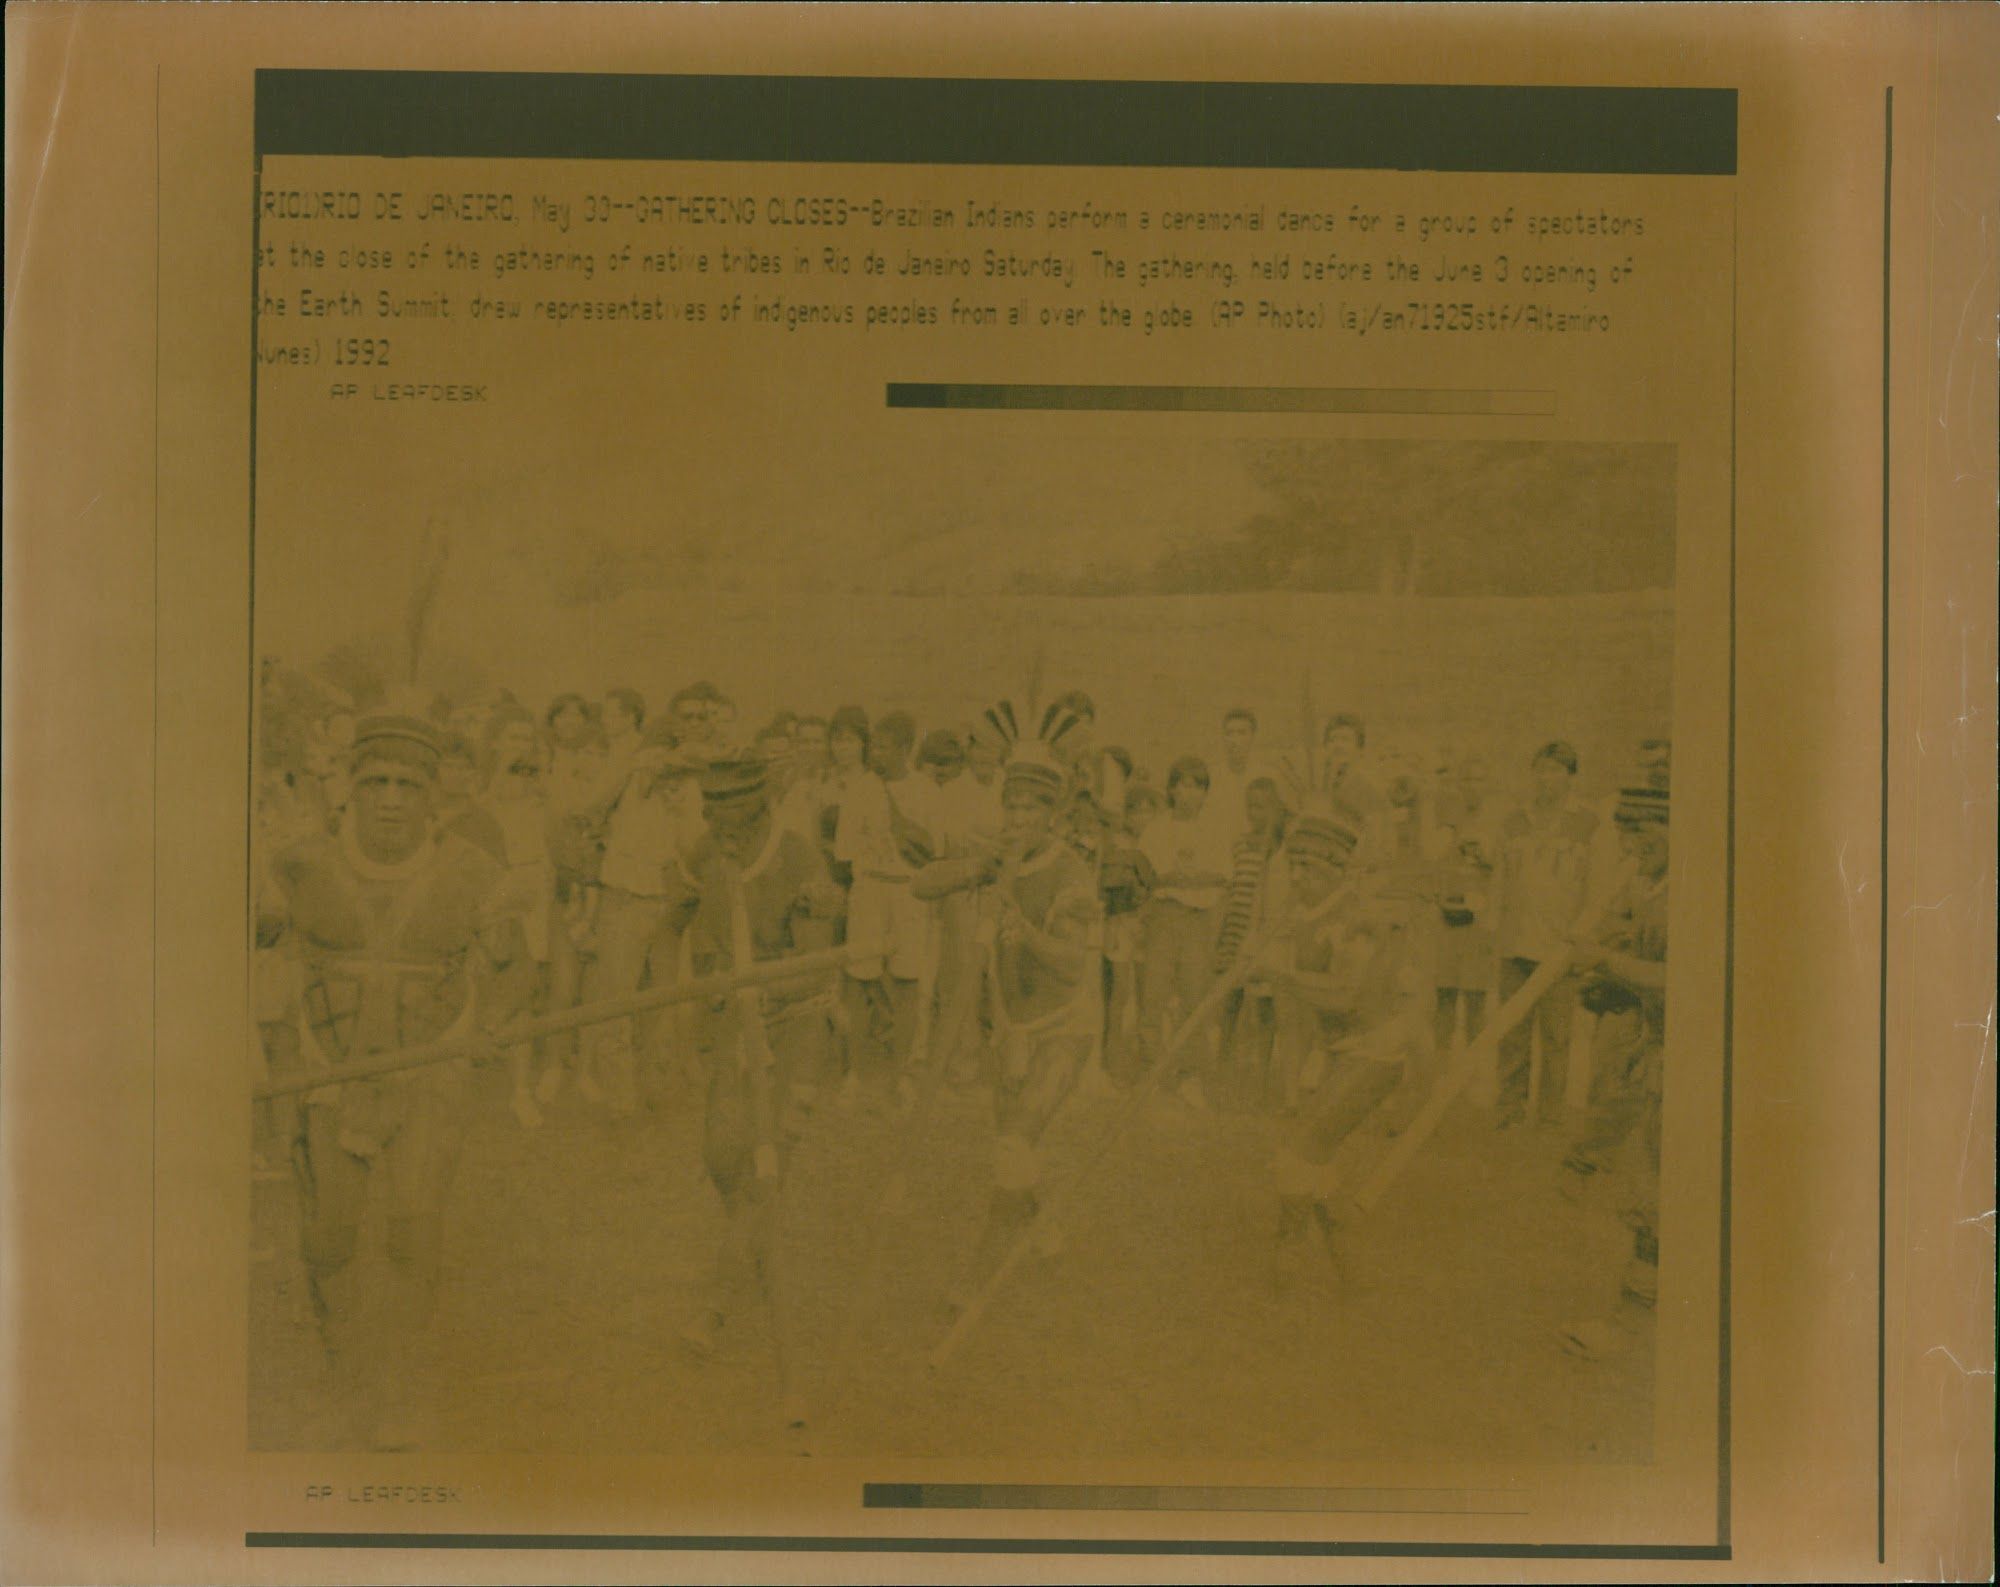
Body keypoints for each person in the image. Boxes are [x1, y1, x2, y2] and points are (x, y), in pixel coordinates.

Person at [257, 709, 526, 1449]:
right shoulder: (298, 865)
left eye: (409, 785)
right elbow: (248, 944)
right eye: (375, 781)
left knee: (413, 1226)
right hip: (329, 1067)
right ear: (350, 785)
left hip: (431, 1066)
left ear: (434, 794)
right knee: (330, 1236)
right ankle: (344, 1371)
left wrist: (492, 1024)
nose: (390, 799)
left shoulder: (473, 871)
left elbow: (515, 968)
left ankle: (401, 1384)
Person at [670, 757, 846, 1429]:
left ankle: (715, 1305)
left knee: (765, 1168)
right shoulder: (705, 854)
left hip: (795, 1026)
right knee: (721, 1155)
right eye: (713, 814)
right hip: (731, 1022)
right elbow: (672, 923)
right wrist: (686, 1007)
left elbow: (813, 972)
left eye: (737, 819)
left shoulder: (800, 861)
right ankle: (754, 1245)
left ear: (763, 808)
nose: (725, 831)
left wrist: (759, 988)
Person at [913, 721, 1101, 1317]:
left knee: (1014, 1142)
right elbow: (923, 884)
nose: (1018, 818)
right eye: (1011, 806)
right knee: (1014, 1146)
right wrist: (976, 867)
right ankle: (1045, 1233)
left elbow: (1073, 964)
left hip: (1064, 1027)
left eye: (1030, 809)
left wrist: (1027, 931)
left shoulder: (1071, 872)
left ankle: (978, 1276)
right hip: (1011, 1027)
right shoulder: (998, 859)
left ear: (1051, 815)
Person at [1262, 799, 1423, 1288]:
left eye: (1308, 867)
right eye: (1293, 865)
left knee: (1299, 1151)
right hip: (1340, 1052)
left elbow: (1346, 996)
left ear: (1335, 869)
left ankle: (1288, 1254)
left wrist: (1282, 975)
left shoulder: (1359, 918)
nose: (1297, 877)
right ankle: (1350, 1268)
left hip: (1377, 1053)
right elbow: (1298, 1014)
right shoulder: (1305, 915)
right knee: (1319, 1163)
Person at [1557, 781, 1670, 1360]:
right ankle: (1632, 1320)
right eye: (1624, 833)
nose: (1630, 845)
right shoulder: (1649, 886)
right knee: (1659, 1188)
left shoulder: (1695, 888)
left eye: (1642, 833)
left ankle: (1629, 1325)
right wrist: (1606, 971)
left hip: (1701, 1057)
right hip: (1662, 1049)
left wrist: (1607, 960)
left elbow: (1680, 975)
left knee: (1662, 1191)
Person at [1492, 740, 1598, 1129]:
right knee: (1512, 1032)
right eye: (1540, 770)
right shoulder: (1513, 821)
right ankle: (1509, 1108)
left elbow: (1594, 888)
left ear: (1571, 777)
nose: (1546, 778)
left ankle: (1551, 1113)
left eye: (1555, 770)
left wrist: (1578, 942)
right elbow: (1498, 883)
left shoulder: (1587, 824)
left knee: (1557, 1035)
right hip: (1515, 945)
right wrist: (1496, 936)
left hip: (1559, 949)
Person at [835, 709, 932, 1094]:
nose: (875, 754)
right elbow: (845, 850)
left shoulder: (925, 790)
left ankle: (901, 1074)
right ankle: (855, 1072)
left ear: (906, 749)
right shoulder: (861, 789)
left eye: (884, 748)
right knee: (859, 981)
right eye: (873, 746)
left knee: (907, 983)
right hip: (870, 889)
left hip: (910, 892)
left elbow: (936, 849)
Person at [1136, 754, 1234, 1103]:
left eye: (1197, 787)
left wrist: (1188, 879)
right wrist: (1186, 879)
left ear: (1206, 793)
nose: (1189, 794)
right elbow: (1153, 876)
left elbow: (1222, 877)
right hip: (1164, 917)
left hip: (1198, 919)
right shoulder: (1157, 828)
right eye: (1183, 786)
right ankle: (1155, 1072)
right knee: (1154, 995)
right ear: (1172, 790)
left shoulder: (1215, 829)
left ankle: (1191, 1075)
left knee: (1195, 997)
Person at [1429, 753, 1501, 1061]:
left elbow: (1505, 871)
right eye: (1467, 780)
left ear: (1488, 785)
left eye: (1478, 780)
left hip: (1479, 921)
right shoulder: (1447, 820)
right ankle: (1440, 1064)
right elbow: (1434, 864)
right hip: (1448, 918)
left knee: (1475, 998)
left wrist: (1487, 859)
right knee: (1444, 994)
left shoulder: (1497, 825)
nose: (1472, 786)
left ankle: (1472, 1067)